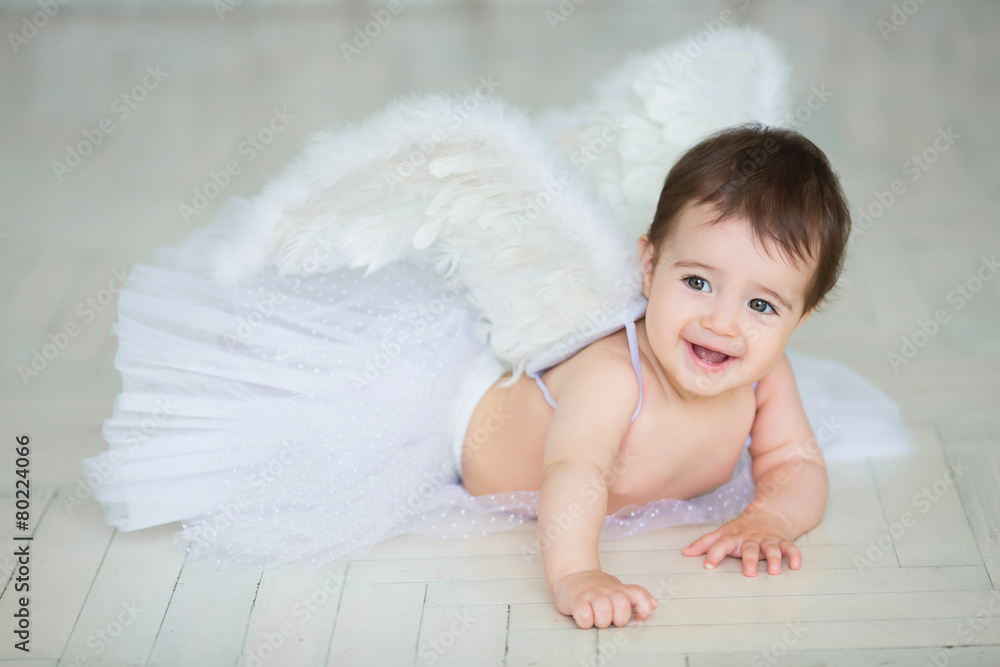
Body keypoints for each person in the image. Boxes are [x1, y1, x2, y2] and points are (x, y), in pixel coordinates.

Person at [455, 123, 847, 629]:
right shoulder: (615, 373)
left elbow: (795, 462)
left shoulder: (765, 378)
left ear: (801, 316)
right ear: (649, 265)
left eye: (760, 304)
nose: (721, 323)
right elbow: (575, 471)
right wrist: (577, 573)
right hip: (469, 425)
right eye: (698, 281)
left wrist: (772, 517)